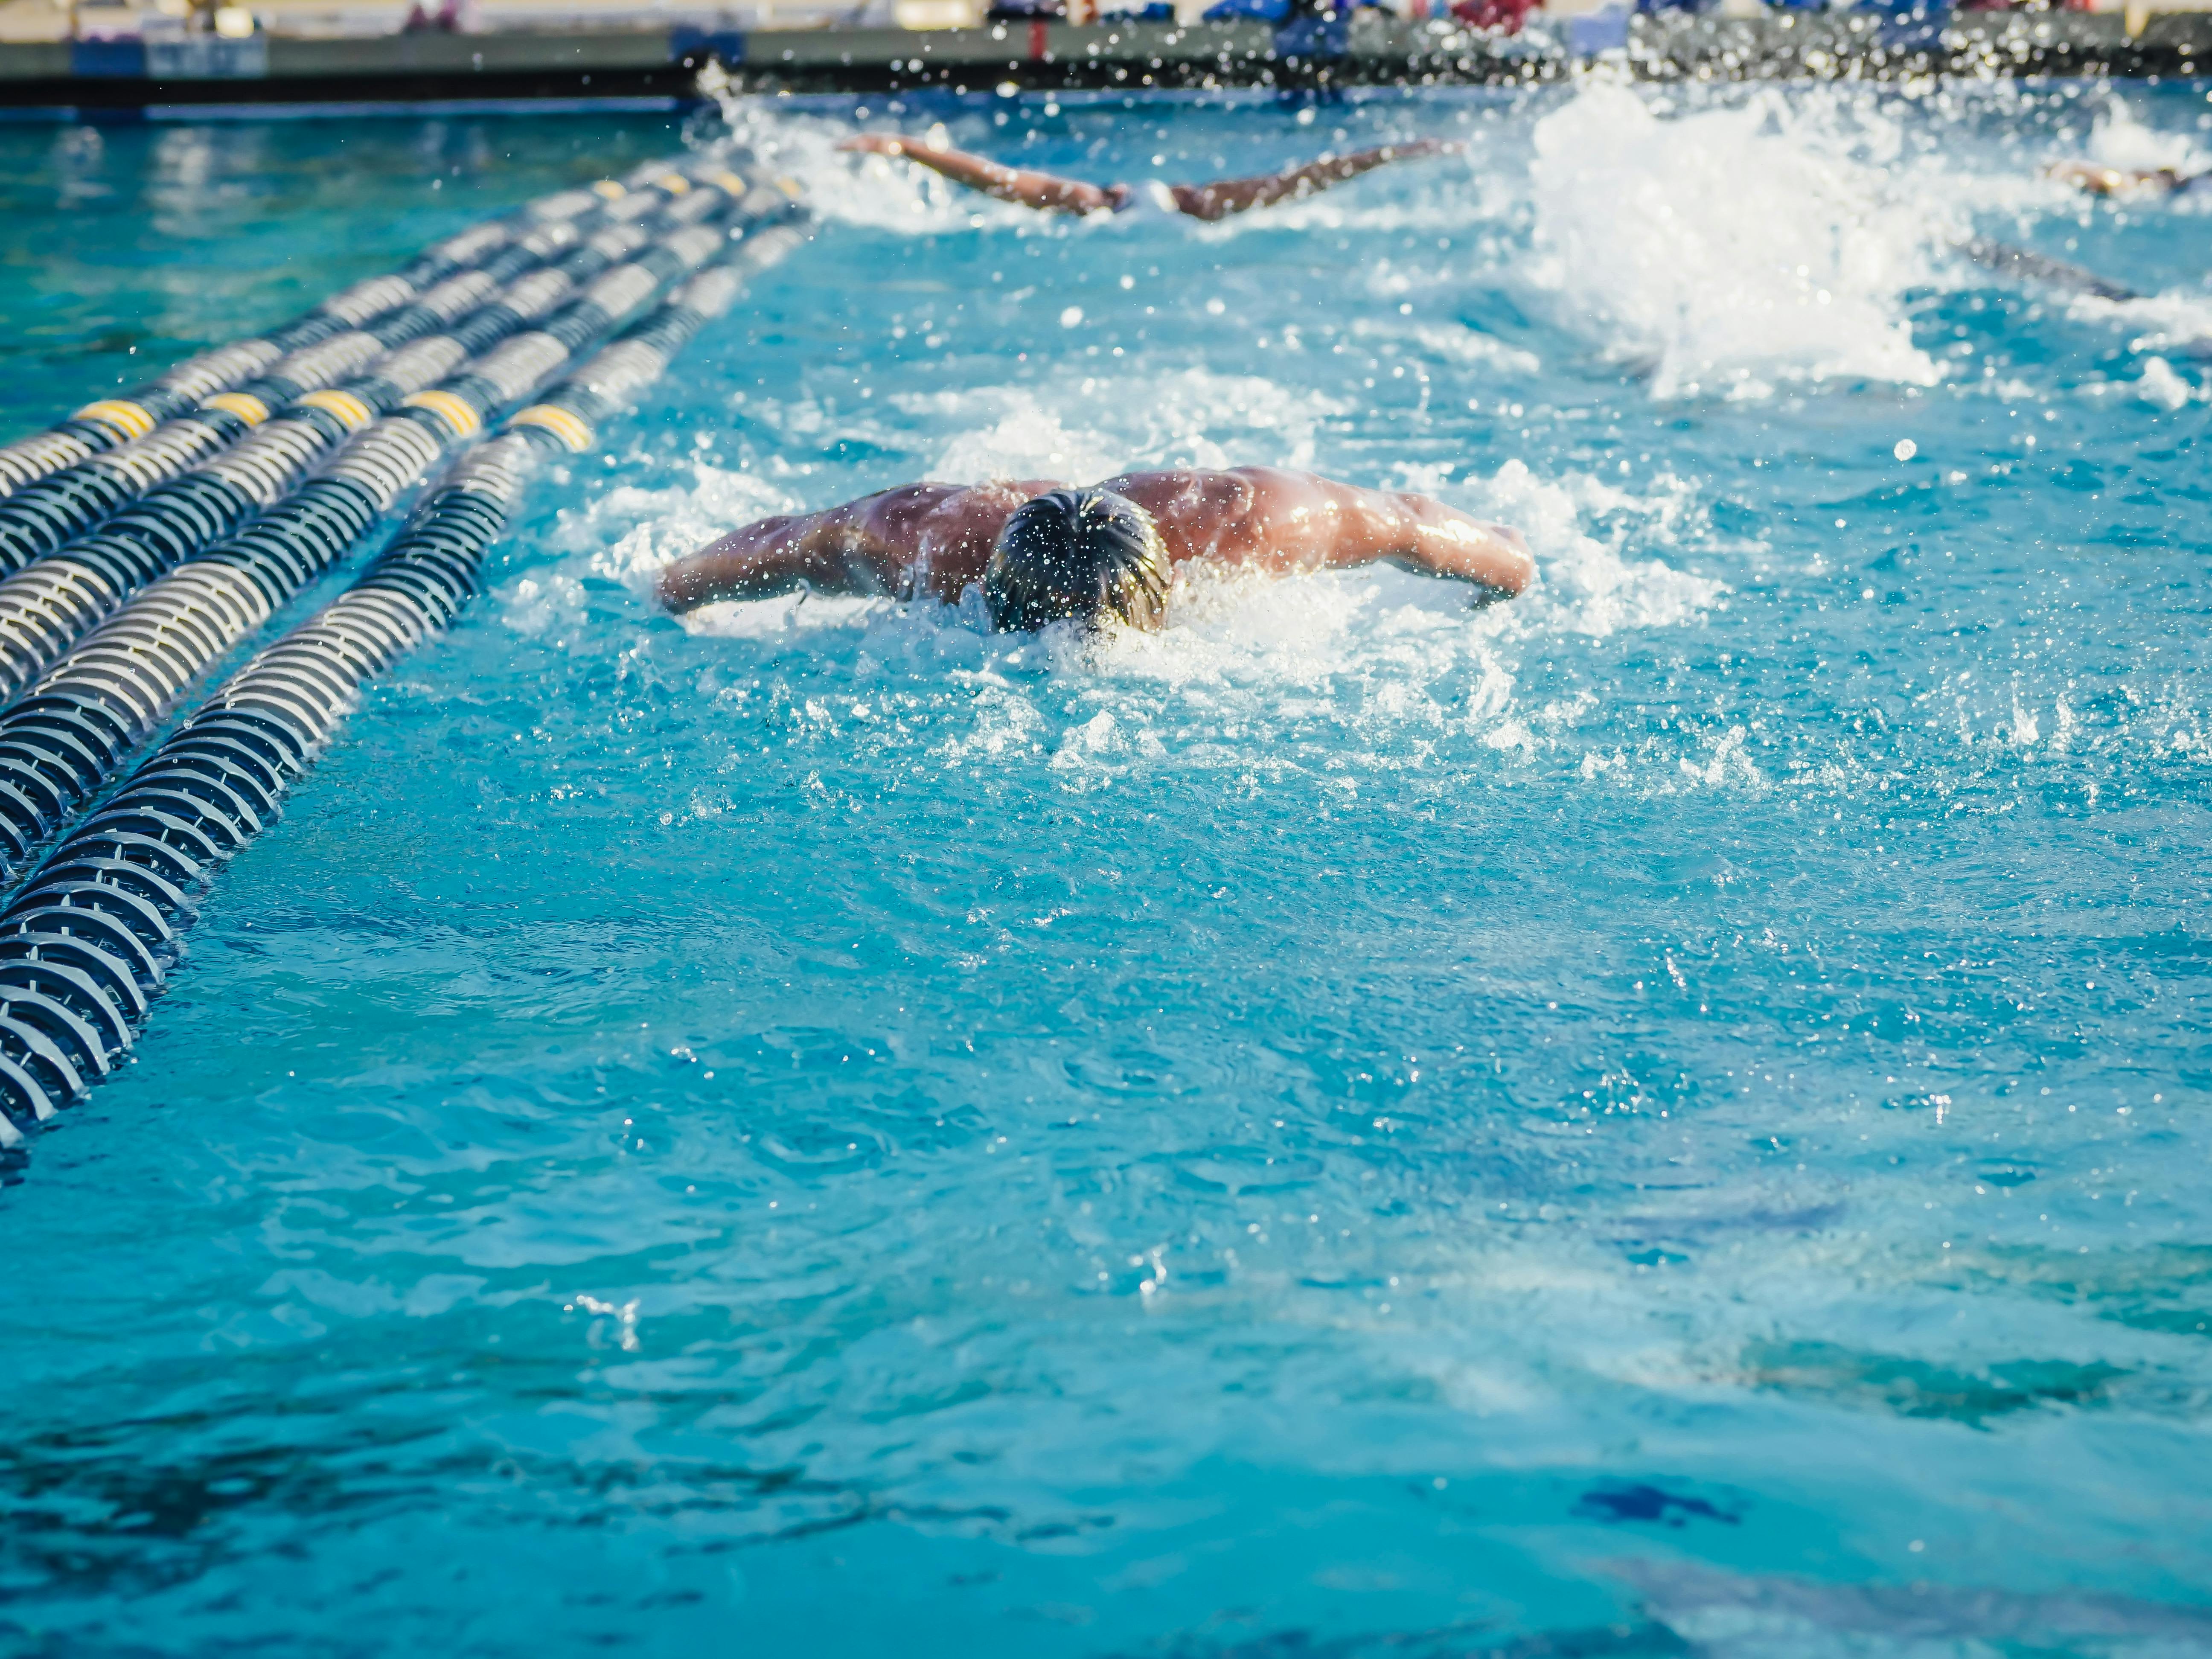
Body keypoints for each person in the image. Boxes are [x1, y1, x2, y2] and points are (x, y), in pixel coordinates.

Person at [656, 468, 1534, 634]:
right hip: (995, 508)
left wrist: (1506, 566)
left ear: (1164, 585)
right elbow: (787, 542)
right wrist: (677, 588)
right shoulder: (922, 544)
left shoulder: (1247, 525)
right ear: (990, 589)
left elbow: (1409, 522)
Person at [839, 131, 1458, 221]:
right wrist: (1385, 155)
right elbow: (1306, 179)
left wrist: (907, 148)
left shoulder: (1086, 205)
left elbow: (994, 178)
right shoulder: (1211, 208)